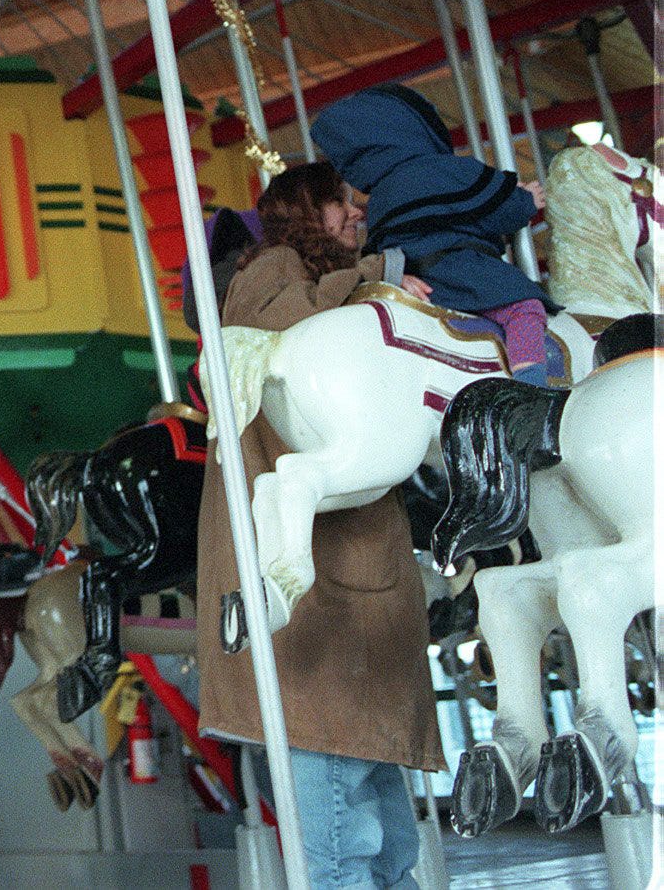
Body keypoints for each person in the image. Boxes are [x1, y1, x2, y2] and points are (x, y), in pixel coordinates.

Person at [194, 162, 443, 890]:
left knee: (385, 830)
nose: (357, 213)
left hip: (356, 565)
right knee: (339, 828)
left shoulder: (327, 284)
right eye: (342, 203)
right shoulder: (270, 270)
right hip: (316, 585)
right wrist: (373, 277)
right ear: (307, 212)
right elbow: (272, 317)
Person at [312, 83, 551, 384]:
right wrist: (526, 200)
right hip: (464, 275)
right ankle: (532, 386)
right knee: (524, 308)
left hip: (415, 285)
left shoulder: (381, 195)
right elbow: (498, 209)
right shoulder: (445, 169)